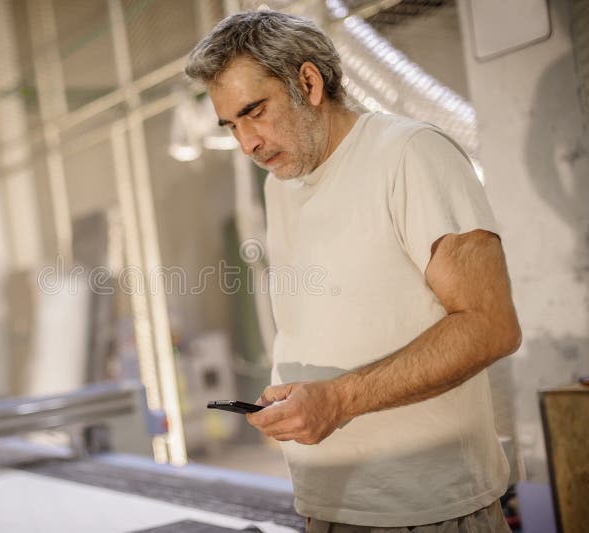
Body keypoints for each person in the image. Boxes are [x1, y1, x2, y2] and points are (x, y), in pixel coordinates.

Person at [185, 10, 521, 533]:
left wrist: (339, 399)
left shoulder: (410, 154)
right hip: (330, 504)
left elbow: (489, 324)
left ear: (309, 82)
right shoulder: (282, 185)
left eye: (254, 112)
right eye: (231, 125)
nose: (246, 143)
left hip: (426, 509)